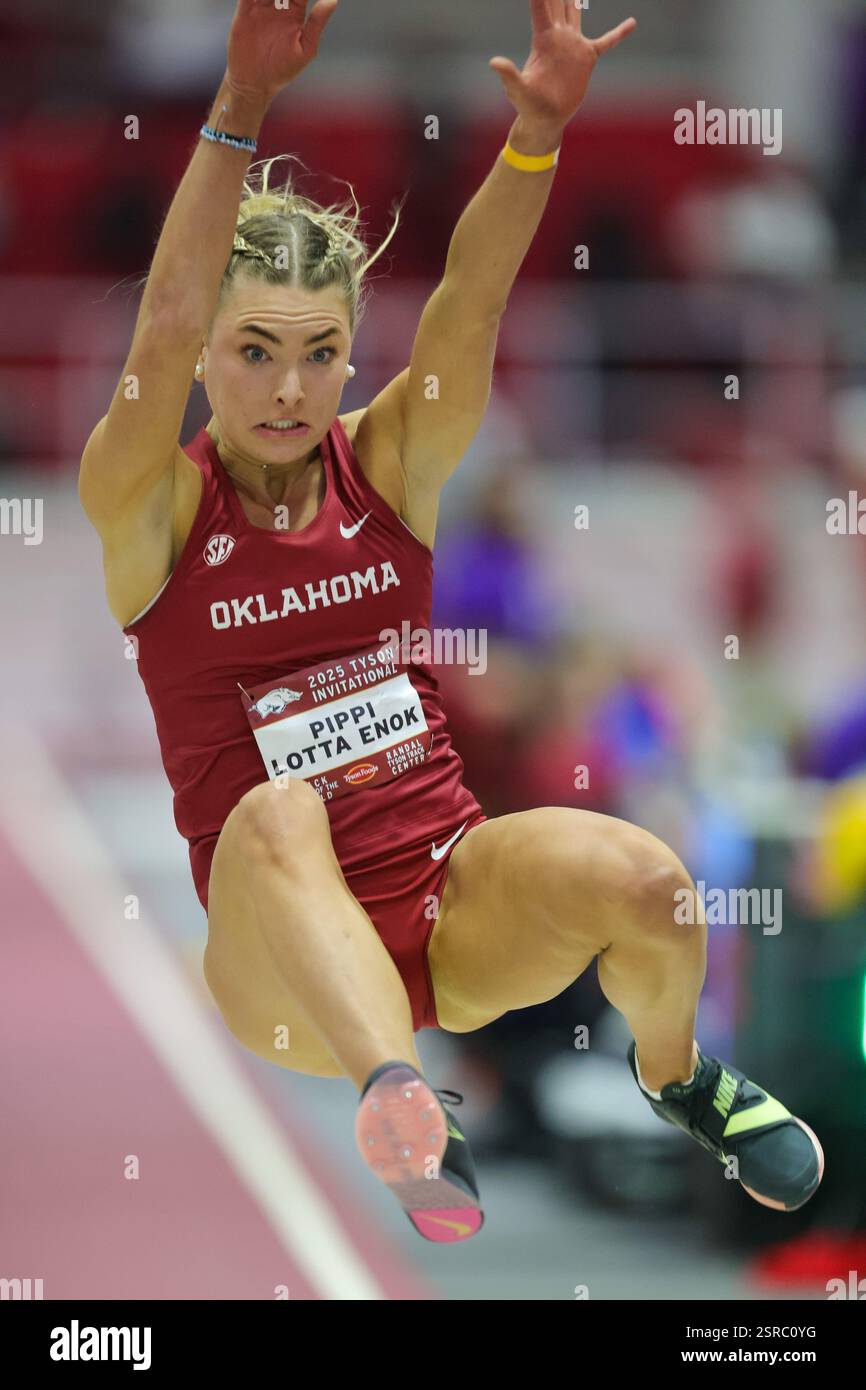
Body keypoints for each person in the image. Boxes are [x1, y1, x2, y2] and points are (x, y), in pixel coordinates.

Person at [79, 0, 822, 1244]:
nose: (285, 386)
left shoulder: (393, 468)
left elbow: (469, 307)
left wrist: (535, 133)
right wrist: (242, 104)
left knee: (648, 878)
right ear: (207, 355)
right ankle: (403, 1097)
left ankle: (677, 1073)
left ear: (350, 358)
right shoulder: (151, 507)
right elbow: (154, 325)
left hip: (449, 903)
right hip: (285, 971)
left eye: (317, 355)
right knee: (277, 810)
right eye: (252, 350)